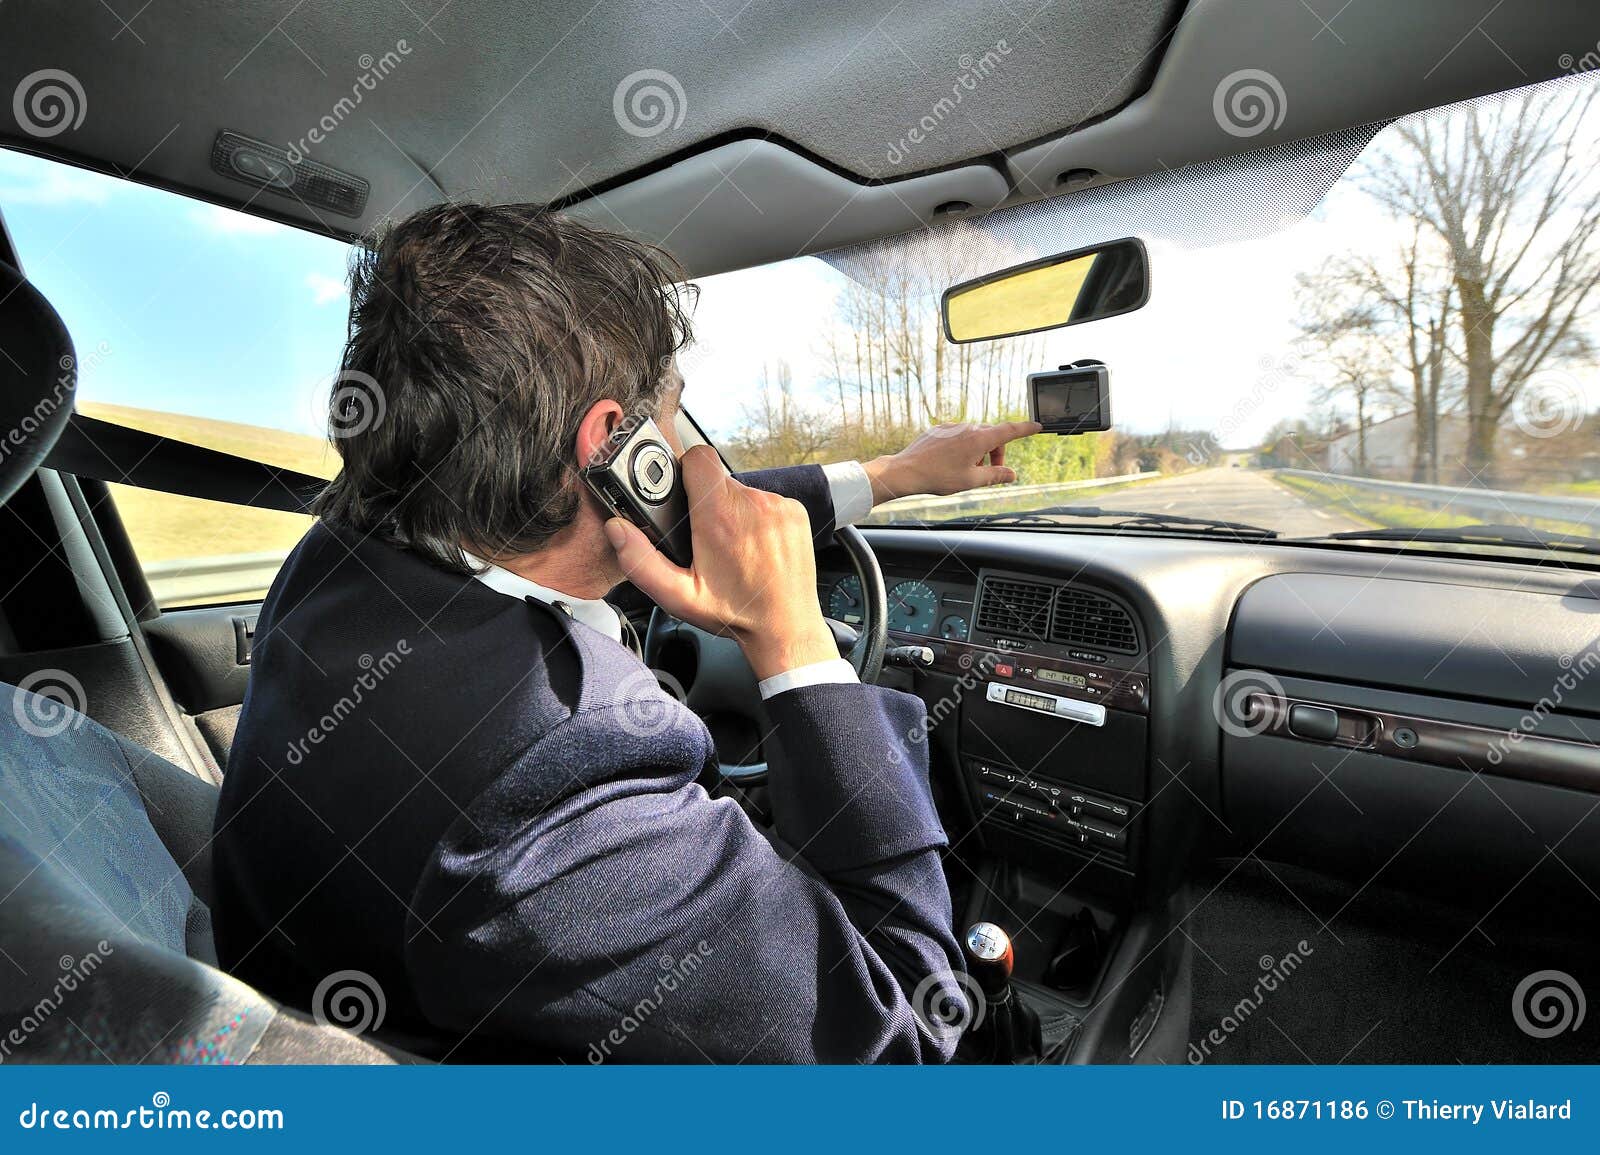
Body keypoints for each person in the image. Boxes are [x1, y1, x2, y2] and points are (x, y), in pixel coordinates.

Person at [212, 203, 1040, 1062]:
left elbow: (691, 510)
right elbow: (904, 1034)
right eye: (673, 415)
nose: (679, 449)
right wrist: (799, 648)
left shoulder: (336, 560)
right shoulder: (552, 788)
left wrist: (892, 474)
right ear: (615, 443)